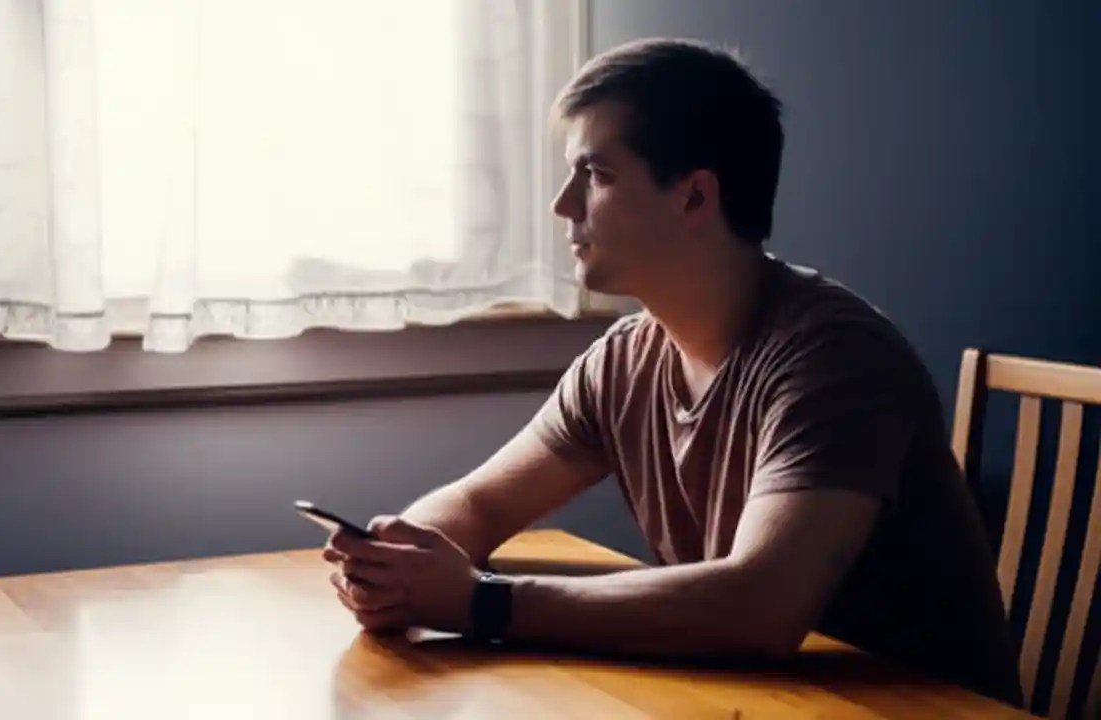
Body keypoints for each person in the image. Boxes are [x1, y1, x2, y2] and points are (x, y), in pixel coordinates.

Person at [323, 37, 1021, 707]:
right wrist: (398, 565)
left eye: (596, 175)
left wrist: (481, 601)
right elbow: (477, 505)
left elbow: (760, 607)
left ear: (693, 197)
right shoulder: (625, 359)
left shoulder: (836, 359)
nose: (563, 205)